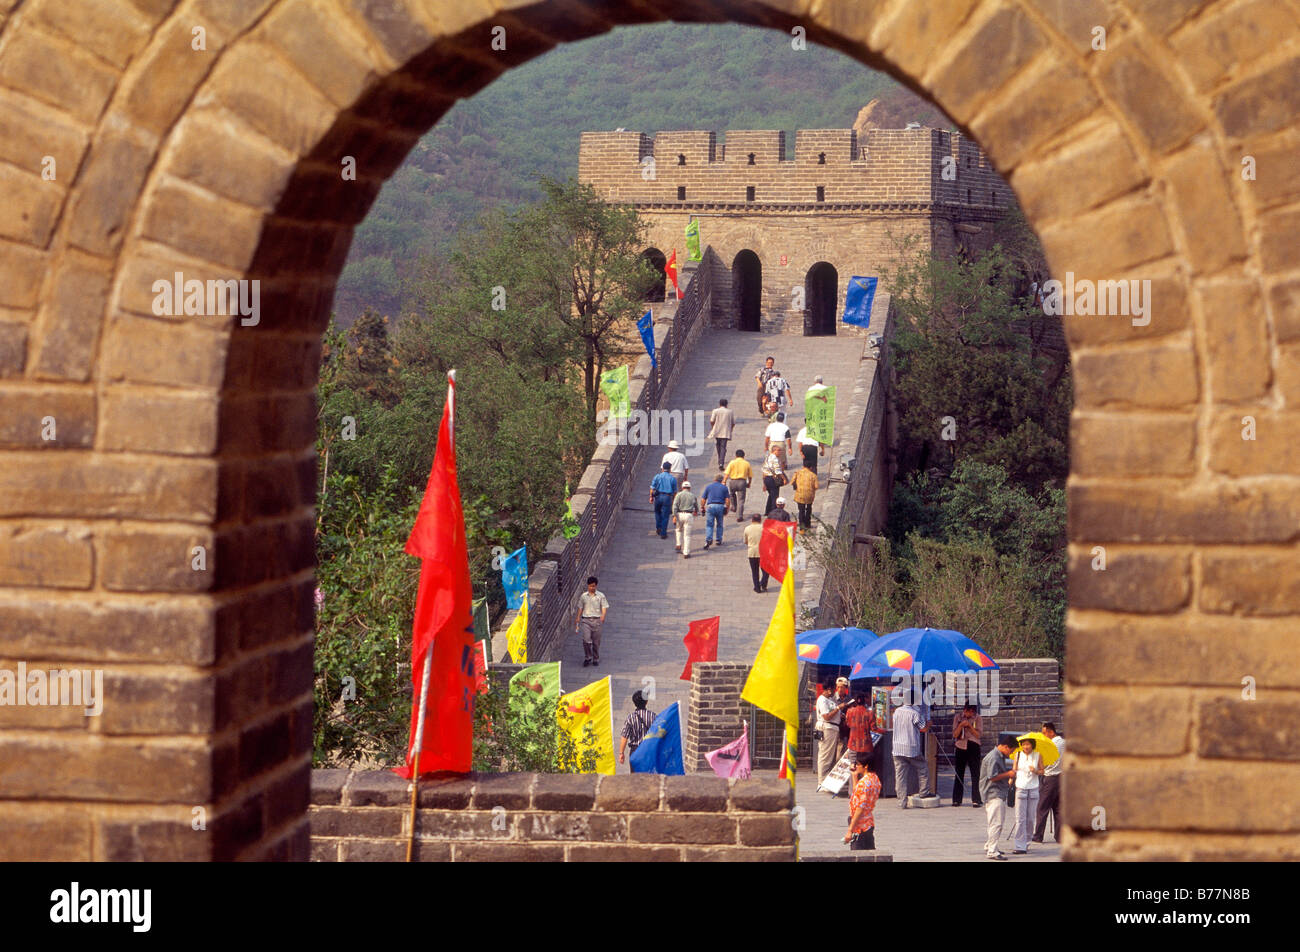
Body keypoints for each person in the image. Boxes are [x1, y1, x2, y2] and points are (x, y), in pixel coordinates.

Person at [980, 735, 1017, 859]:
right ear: (1006, 747)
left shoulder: (997, 756)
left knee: (993, 822)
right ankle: (992, 851)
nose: (1010, 754)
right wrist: (1009, 773)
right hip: (993, 793)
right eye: (1011, 751)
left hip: (996, 793)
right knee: (997, 823)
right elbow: (992, 776)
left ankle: (990, 846)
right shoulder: (994, 757)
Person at [1011, 736, 1045, 853]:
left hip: (1034, 789)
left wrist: (1035, 771)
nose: (1025, 746)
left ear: (1032, 745)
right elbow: (1014, 769)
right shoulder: (1018, 755)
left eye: (1028, 744)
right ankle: (1019, 845)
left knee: (1030, 818)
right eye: (1023, 744)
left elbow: (1042, 771)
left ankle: (1026, 842)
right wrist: (1011, 779)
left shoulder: (1038, 755)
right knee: (1020, 818)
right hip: (1020, 787)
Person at [1033, 722, 1065, 843]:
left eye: (1044, 733)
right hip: (1061, 778)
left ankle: (1038, 835)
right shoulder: (1064, 743)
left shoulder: (1051, 745)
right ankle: (1060, 836)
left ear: (1051, 732)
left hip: (1050, 778)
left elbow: (1044, 764)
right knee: (1059, 808)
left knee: (1042, 807)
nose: (1043, 735)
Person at [842, 751, 881, 851]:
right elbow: (857, 795)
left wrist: (850, 830)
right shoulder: (875, 779)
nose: (856, 766)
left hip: (860, 825)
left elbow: (859, 808)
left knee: (857, 854)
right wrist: (855, 777)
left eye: (858, 764)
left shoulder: (864, 783)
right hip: (868, 822)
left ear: (866, 766)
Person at [891, 699, 926, 807]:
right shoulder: (915, 713)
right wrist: (926, 720)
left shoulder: (896, 711)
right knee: (923, 768)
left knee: (900, 776)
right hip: (911, 748)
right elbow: (923, 728)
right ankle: (924, 792)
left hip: (897, 748)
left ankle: (902, 802)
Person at [815, 682, 851, 785]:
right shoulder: (822, 700)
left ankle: (824, 780)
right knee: (825, 755)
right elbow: (826, 716)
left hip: (833, 728)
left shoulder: (829, 700)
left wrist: (840, 714)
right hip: (827, 727)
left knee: (829, 756)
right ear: (828, 689)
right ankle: (821, 781)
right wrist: (838, 708)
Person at [951, 704, 984, 807]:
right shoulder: (958, 717)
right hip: (961, 745)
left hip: (973, 745)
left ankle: (976, 799)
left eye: (972, 712)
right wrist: (961, 725)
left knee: (975, 773)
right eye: (968, 712)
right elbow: (955, 735)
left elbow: (978, 735)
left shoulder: (978, 718)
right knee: (959, 773)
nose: (970, 714)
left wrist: (969, 726)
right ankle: (956, 799)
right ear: (965, 710)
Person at [574, 576, 608, 668]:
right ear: (588, 586)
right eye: (590, 586)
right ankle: (588, 657)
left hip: (597, 620)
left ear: (596, 586)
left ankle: (595, 658)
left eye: (593, 586)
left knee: (596, 642)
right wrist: (577, 617)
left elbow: (604, 607)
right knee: (586, 640)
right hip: (586, 620)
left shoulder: (601, 596)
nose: (591, 588)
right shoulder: (583, 596)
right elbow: (580, 607)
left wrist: (603, 617)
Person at [618, 689, 657, 765]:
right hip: (649, 750)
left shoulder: (631, 718)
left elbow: (624, 736)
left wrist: (621, 753)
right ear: (646, 702)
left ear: (634, 703)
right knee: (649, 775)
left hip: (635, 751)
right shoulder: (653, 716)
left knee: (634, 776)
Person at [844, 690, 878, 772]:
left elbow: (848, 724)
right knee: (866, 768)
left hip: (853, 744)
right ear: (864, 700)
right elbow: (873, 728)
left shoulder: (849, 711)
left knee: (853, 768)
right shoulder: (869, 713)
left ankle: (855, 781)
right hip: (866, 745)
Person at [700, 472, 730, 549]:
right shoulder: (724, 488)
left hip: (710, 506)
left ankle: (709, 539)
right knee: (720, 524)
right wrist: (727, 508)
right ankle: (718, 539)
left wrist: (702, 507)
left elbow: (703, 499)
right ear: (721, 480)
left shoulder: (708, 487)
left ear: (714, 479)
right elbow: (727, 500)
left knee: (709, 524)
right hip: (720, 506)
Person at [649, 462, 677, 539]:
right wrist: (674, 501)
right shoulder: (672, 479)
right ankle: (663, 533)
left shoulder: (657, 476)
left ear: (662, 469)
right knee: (665, 516)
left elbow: (652, 488)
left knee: (657, 512)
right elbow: (675, 492)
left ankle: (658, 527)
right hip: (667, 497)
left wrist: (651, 497)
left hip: (658, 496)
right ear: (670, 469)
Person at [671, 479, 699, 557]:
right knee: (687, 535)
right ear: (689, 488)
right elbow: (696, 506)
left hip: (680, 514)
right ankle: (686, 552)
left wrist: (674, 516)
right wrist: (696, 511)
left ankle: (678, 545)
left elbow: (675, 506)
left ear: (682, 487)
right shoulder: (692, 495)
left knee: (678, 530)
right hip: (689, 515)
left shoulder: (678, 495)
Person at [724, 450, 752, 522]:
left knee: (732, 494)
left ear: (736, 456)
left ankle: (733, 506)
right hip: (742, 482)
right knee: (741, 500)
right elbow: (750, 476)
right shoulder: (746, 463)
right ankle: (739, 516)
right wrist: (749, 483)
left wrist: (724, 481)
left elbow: (727, 473)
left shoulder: (732, 462)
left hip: (732, 481)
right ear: (743, 456)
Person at [707, 398, 735, 469]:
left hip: (717, 431)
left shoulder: (715, 411)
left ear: (719, 404)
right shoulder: (730, 412)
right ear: (726, 405)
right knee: (723, 447)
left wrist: (713, 427)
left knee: (718, 444)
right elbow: (733, 423)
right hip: (725, 432)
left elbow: (711, 420)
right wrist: (730, 429)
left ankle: (720, 459)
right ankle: (721, 462)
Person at [743, 514, 768, 593]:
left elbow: (745, 541)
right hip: (763, 552)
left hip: (752, 552)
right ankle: (763, 583)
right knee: (766, 571)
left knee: (755, 571)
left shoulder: (747, 528)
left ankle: (757, 588)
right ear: (760, 520)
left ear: (752, 520)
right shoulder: (765, 528)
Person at [790, 463, 818, 532]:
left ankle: (802, 527)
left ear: (803, 466)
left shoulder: (797, 473)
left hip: (800, 495)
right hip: (809, 495)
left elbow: (791, 482)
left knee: (801, 511)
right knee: (808, 509)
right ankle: (808, 524)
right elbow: (816, 486)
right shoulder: (813, 475)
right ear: (810, 467)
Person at [760, 449, 785, 514]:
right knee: (775, 497)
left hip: (767, 479)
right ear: (774, 451)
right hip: (773, 479)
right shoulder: (775, 459)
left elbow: (764, 470)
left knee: (771, 495)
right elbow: (778, 471)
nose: (780, 452)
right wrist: (784, 478)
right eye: (779, 451)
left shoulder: (767, 458)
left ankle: (767, 511)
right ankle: (774, 512)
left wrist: (764, 483)